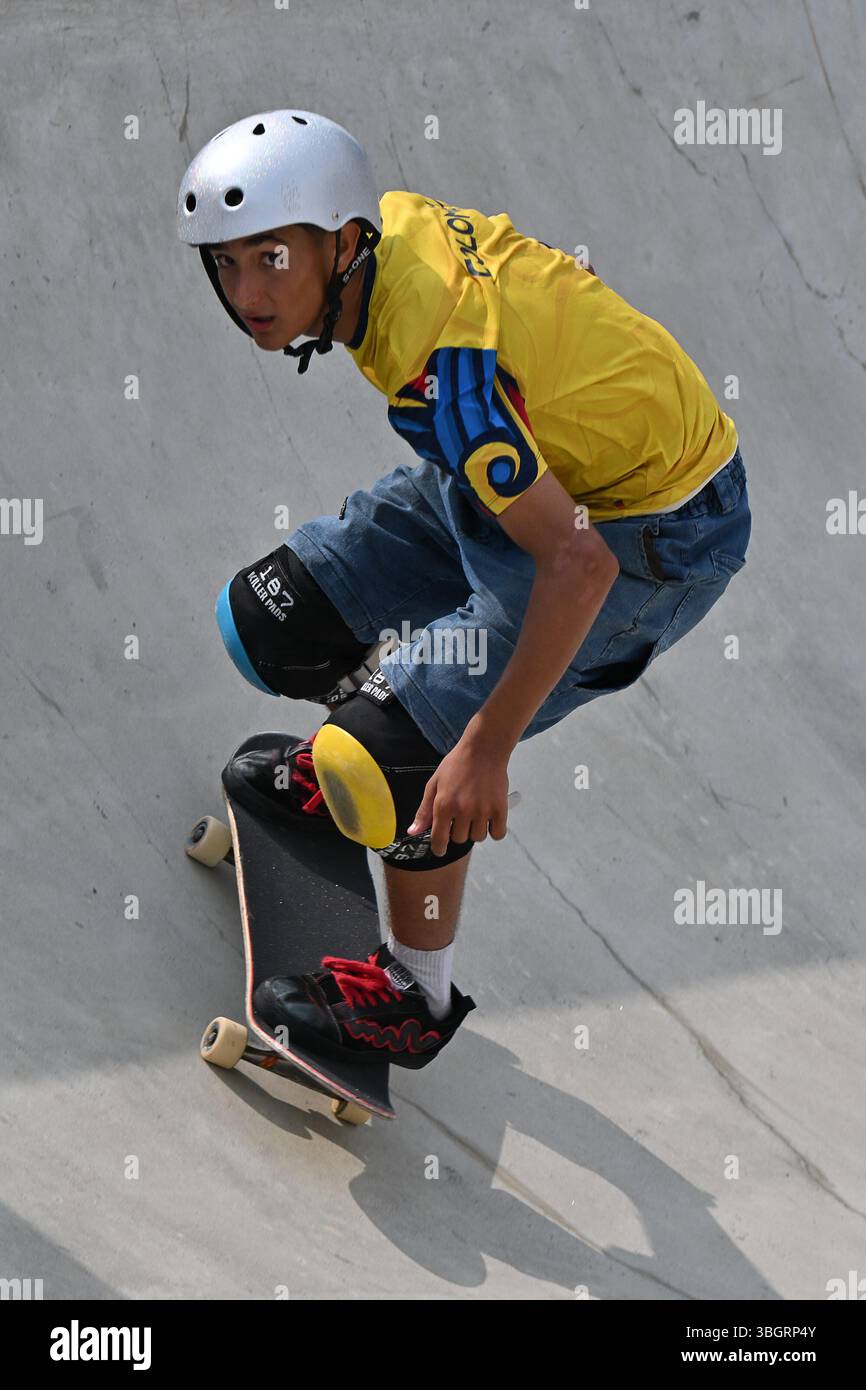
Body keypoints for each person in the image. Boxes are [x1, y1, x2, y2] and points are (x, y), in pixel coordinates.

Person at [176, 109, 751, 1072]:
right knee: (269, 621)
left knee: (401, 759)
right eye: (228, 265)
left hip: (648, 533)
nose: (248, 295)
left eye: (271, 259)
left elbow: (578, 566)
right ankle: (369, 747)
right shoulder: (383, 244)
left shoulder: (447, 364)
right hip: (531, 475)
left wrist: (480, 748)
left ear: (343, 240)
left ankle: (412, 993)